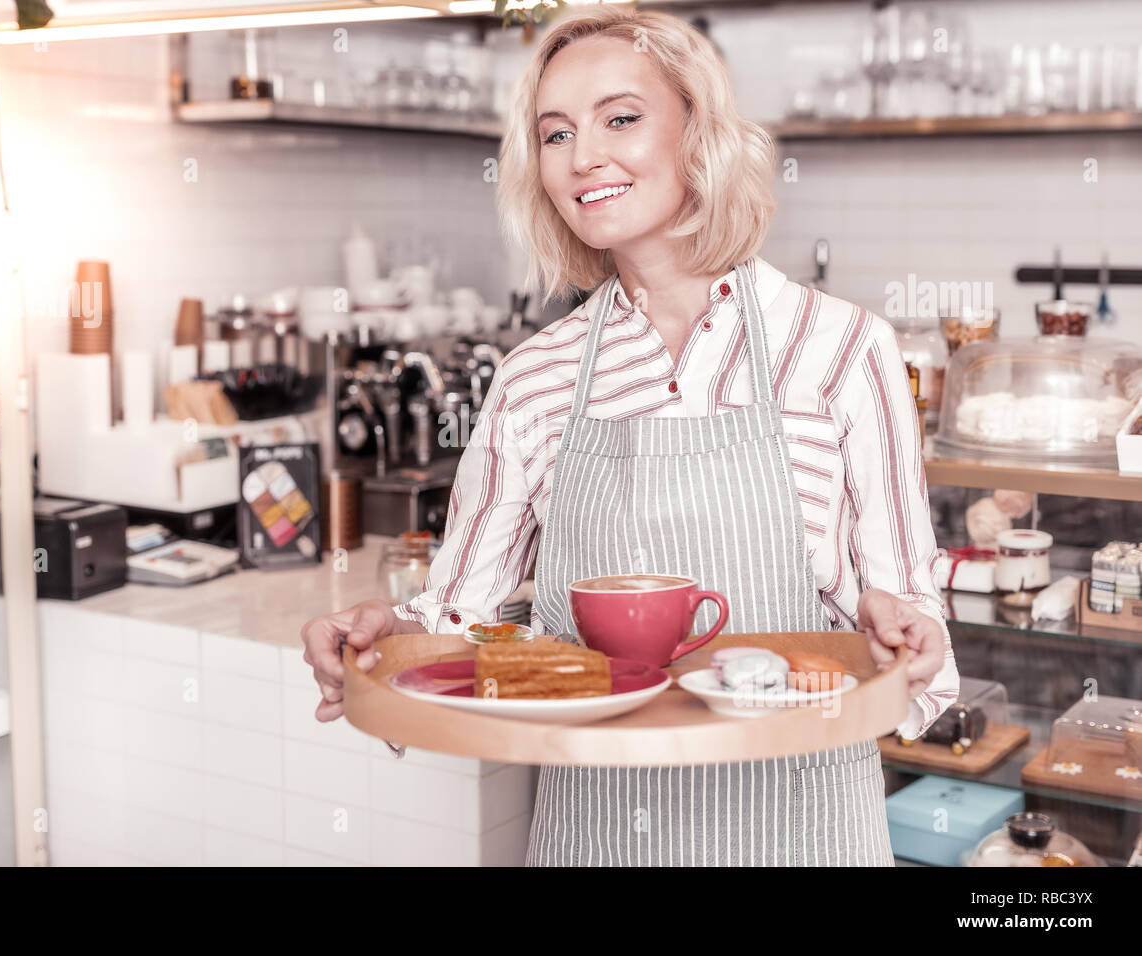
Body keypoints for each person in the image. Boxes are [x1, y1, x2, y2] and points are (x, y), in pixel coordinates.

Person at [301, 6, 957, 866]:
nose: (584, 158)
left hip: (802, 825)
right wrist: (380, 636)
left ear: (698, 130)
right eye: (556, 133)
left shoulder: (842, 349)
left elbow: (914, 625)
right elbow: (459, 620)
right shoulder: (535, 377)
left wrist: (902, 635)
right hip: (600, 831)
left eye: (621, 118)